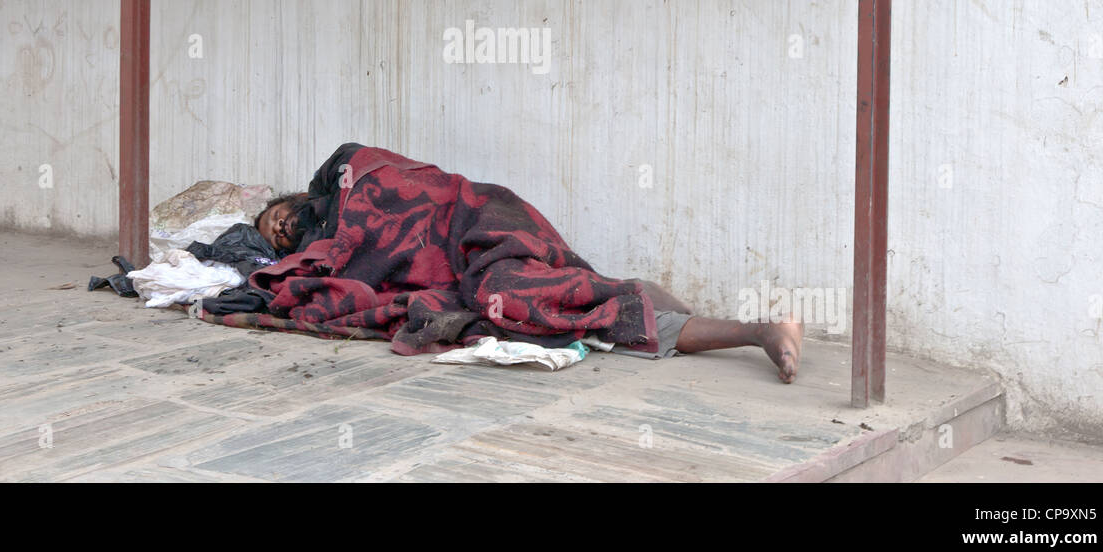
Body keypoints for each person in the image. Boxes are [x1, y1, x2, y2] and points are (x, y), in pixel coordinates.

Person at [251, 157, 803, 384]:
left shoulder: (349, 173)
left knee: (511, 296)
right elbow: (336, 277)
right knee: (540, 303)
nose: (280, 230)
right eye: (272, 238)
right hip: (469, 254)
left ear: (298, 196)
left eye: (277, 216)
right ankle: (732, 325)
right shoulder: (322, 250)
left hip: (480, 215)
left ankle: (745, 327)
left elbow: (396, 183)